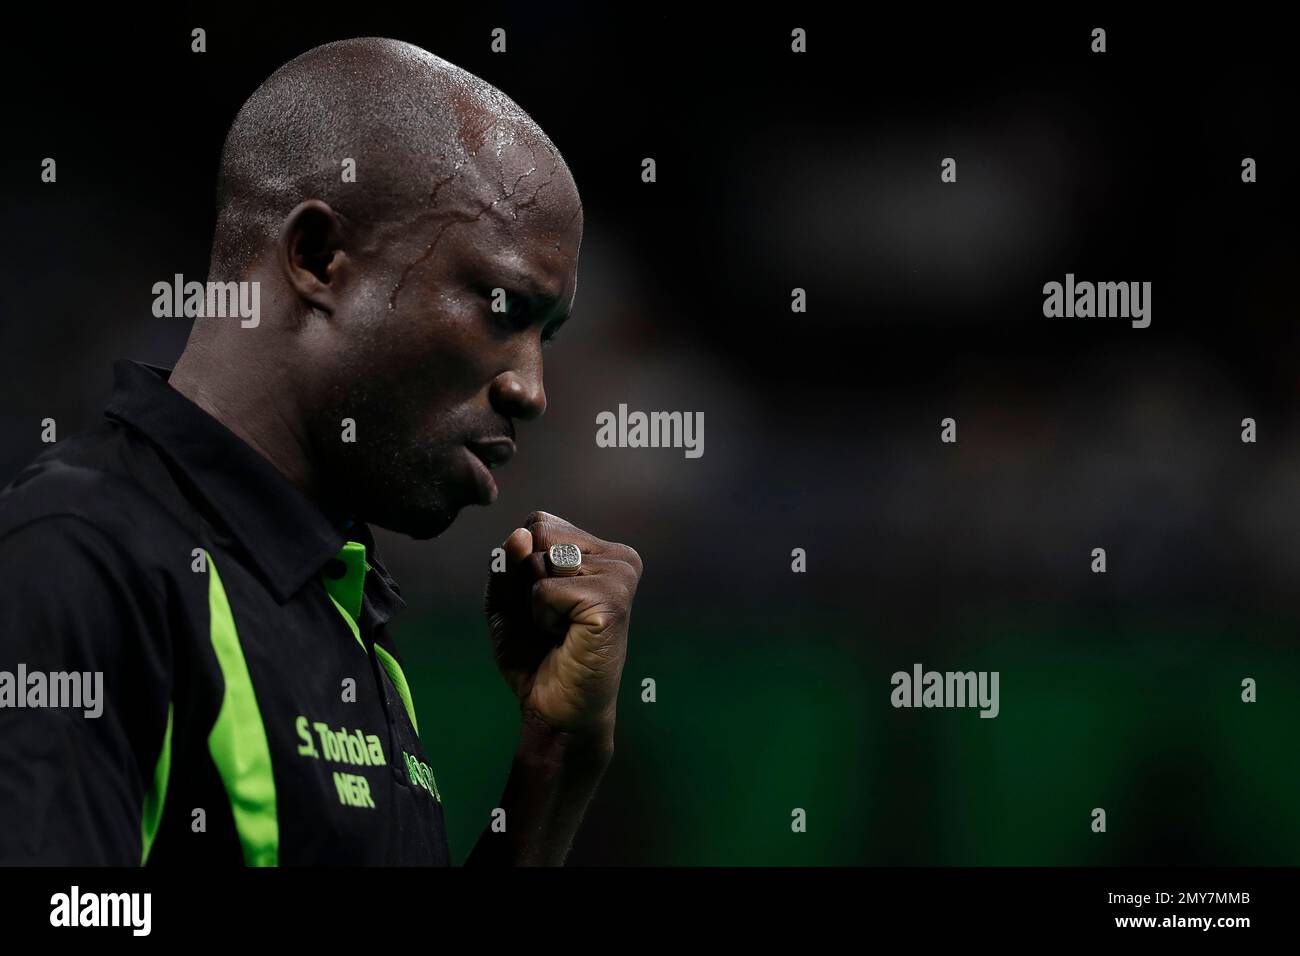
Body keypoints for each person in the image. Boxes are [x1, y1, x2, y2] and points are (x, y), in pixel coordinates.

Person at [0, 36, 642, 866]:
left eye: (545, 335)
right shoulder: (80, 558)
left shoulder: (343, 610)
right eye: (502, 308)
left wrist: (556, 760)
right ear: (318, 258)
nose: (532, 389)